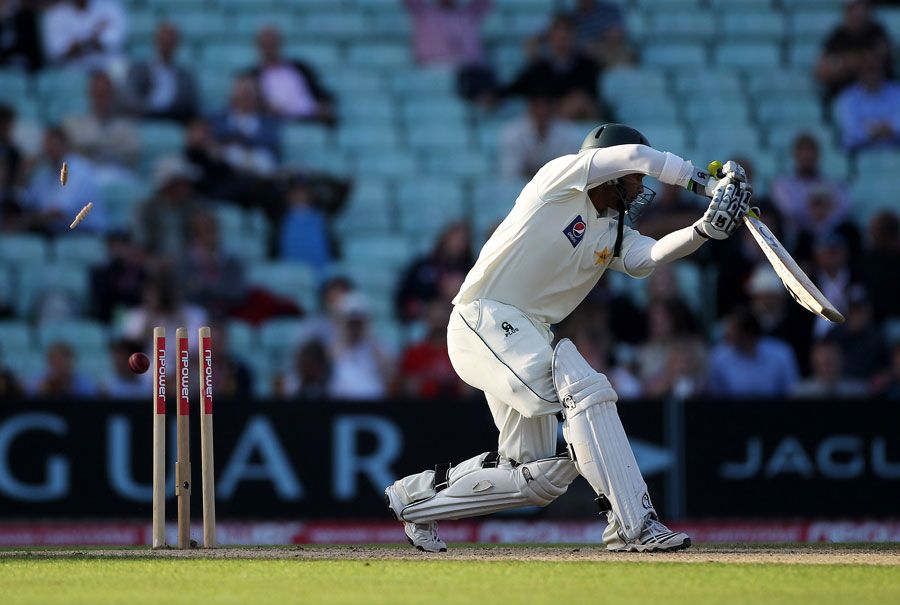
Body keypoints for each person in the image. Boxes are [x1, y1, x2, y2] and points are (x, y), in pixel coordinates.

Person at [384, 123, 751, 553]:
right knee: (585, 384)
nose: (639, 187)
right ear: (609, 171)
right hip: (483, 318)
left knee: (534, 477)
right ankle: (633, 524)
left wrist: (704, 229)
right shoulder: (559, 181)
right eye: (634, 180)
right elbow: (637, 154)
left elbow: (648, 257)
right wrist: (704, 182)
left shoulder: (611, 232)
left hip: (524, 335)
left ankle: (415, 500)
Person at [505, 14, 602, 121]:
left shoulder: (587, 66)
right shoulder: (538, 68)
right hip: (547, 127)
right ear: (550, 38)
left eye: (566, 36)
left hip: (578, 126)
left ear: (574, 37)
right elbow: (513, 90)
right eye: (558, 36)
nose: (562, 41)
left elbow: (592, 102)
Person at [249, 26, 335, 124]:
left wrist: (324, 106)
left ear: (280, 44)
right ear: (258, 47)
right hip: (277, 125)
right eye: (265, 44)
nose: (269, 47)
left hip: (310, 120)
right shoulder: (252, 77)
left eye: (272, 43)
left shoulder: (301, 68)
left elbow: (321, 93)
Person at [770, 134, 851, 238]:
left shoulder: (832, 184)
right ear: (795, 155)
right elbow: (790, 210)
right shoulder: (782, 184)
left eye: (810, 154)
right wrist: (819, 209)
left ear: (818, 155)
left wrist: (824, 215)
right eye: (803, 154)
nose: (807, 158)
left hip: (827, 236)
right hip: (796, 238)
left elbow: (844, 208)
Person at [63, 70, 140, 177]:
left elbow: (132, 154)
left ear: (112, 95)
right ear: (90, 94)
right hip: (85, 176)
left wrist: (92, 147)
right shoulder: (75, 124)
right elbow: (70, 153)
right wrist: (110, 145)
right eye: (98, 93)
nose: (101, 98)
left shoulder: (126, 126)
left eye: (105, 93)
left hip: (115, 175)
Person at [708, 308, 799, 398]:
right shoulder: (718, 358)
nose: (727, 335)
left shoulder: (781, 353)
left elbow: (791, 392)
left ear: (747, 334)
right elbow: (718, 397)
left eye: (733, 331)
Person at [816, 0, 892, 99]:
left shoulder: (877, 32)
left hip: (877, 95)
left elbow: (877, 61)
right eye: (854, 9)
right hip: (843, 97)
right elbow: (821, 72)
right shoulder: (837, 36)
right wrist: (856, 61)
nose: (859, 13)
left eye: (862, 8)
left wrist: (843, 63)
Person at [124, 22, 197, 122]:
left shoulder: (185, 76)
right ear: (155, 41)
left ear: (176, 44)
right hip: (145, 118)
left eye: (170, 41)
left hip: (173, 119)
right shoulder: (139, 70)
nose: (166, 45)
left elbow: (188, 103)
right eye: (163, 40)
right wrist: (148, 110)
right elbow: (131, 98)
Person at [499, 92, 582, 179]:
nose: (542, 112)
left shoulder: (568, 132)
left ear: (552, 109)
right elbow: (510, 173)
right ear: (530, 109)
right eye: (537, 107)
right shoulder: (512, 133)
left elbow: (568, 172)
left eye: (545, 107)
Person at [833, 56, 900, 152]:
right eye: (867, 70)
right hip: (859, 154)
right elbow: (851, 130)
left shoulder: (897, 91)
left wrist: (872, 128)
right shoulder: (848, 97)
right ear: (860, 73)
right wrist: (882, 129)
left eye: (874, 69)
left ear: (882, 70)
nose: (871, 75)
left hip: (894, 153)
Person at [42, 0, 127, 69]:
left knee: (121, 67)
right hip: (73, 69)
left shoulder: (109, 5)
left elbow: (117, 39)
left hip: (107, 64)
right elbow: (56, 51)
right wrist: (93, 36)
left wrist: (81, 43)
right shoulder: (55, 15)